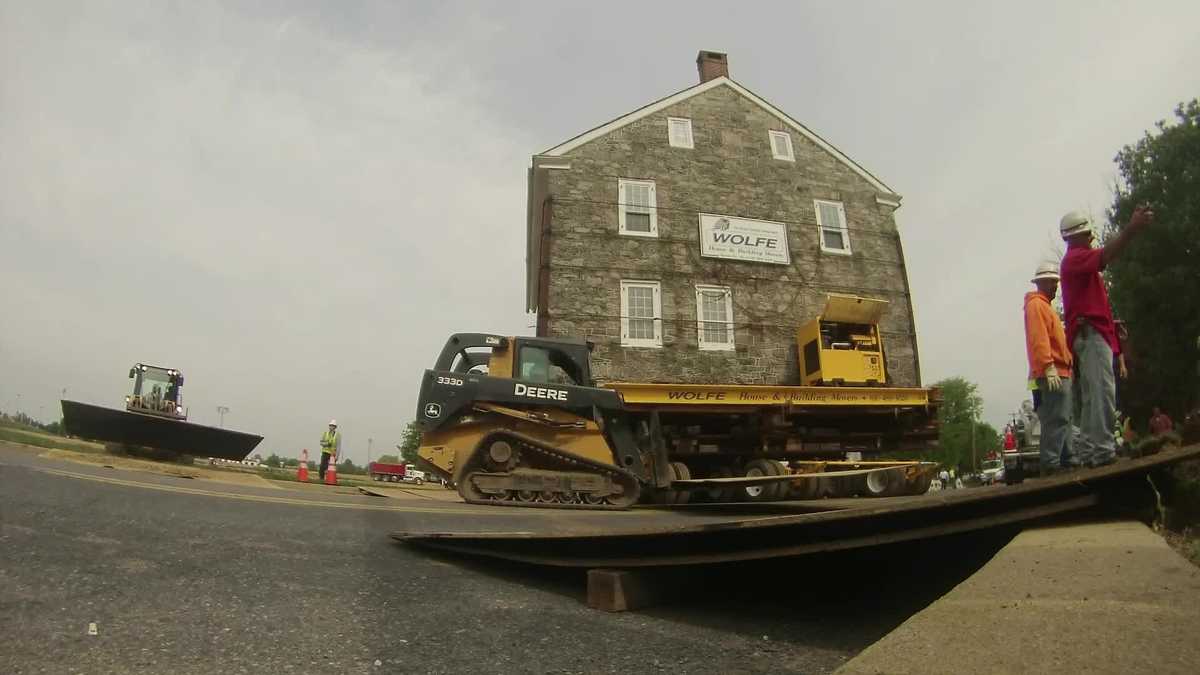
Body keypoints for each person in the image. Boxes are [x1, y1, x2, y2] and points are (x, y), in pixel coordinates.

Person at [1059, 205, 1154, 467]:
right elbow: (1106, 256)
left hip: (1090, 332)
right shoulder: (1075, 258)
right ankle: (1102, 452)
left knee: (1092, 398)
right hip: (1090, 335)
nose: (1091, 237)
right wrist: (1131, 229)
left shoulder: (1078, 262)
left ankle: (1092, 451)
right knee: (1102, 392)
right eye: (1087, 233)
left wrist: (1111, 324)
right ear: (1075, 236)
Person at [1024, 261, 1074, 474]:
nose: (1056, 287)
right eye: (1052, 283)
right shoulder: (1037, 306)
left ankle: (1066, 459)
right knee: (1057, 418)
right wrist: (1048, 365)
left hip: (1060, 371)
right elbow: (1039, 339)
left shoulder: (1045, 307)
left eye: (1056, 282)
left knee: (1064, 418)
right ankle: (1052, 463)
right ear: (1042, 283)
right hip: (1052, 372)